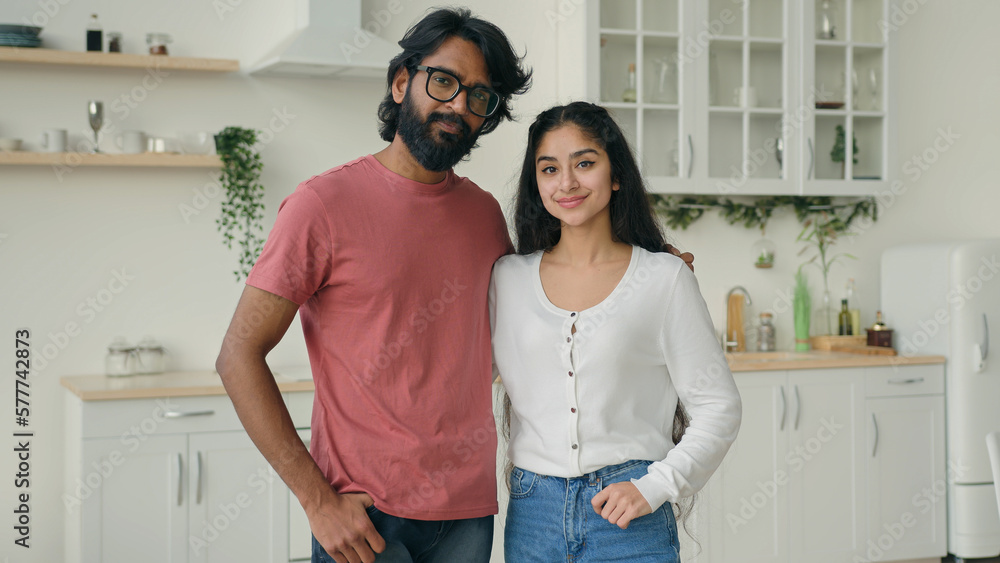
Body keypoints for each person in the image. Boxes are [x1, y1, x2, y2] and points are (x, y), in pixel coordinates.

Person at [215, 8, 531, 563]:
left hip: (469, 512)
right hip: (362, 515)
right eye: (444, 81)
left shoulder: (483, 215)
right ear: (402, 81)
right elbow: (238, 354)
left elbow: (527, 325)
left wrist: (641, 264)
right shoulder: (321, 206)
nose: (459, 104)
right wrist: (316, 502)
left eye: (480, 96)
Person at [489, 101, 742, 562]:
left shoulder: (664, 279)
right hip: (533, 515)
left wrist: (657, 486)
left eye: (584, 163)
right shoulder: (506, 279)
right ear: (536, 184)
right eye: (549, 169)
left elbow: (718, 407)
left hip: (629, 516)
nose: (566, 182)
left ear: (616, 175)